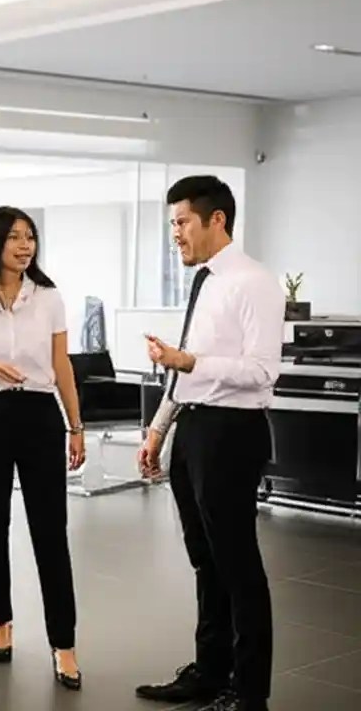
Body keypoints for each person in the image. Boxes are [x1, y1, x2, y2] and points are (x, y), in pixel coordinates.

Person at [135, 175, 283, 711]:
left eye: (181, 222)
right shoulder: (204, 281)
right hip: (194, 430)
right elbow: (186, 370)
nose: (175, 234)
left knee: (237, 564)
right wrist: (158, 429)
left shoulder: (254, 282)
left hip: (233, 433)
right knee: (206, 561)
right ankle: (210, 671)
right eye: (172, 223)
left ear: (215, 219)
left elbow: (264, 371)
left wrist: (188, 361)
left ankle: (248, 694)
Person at [0, 206, 86, 690]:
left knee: (51, 532)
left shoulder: (48, 298)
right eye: (15, 238)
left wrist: (76, 425)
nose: (25, 246)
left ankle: (63, 645)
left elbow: (61, 365)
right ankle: (0, 623)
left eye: (31, 237)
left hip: (41, 417)